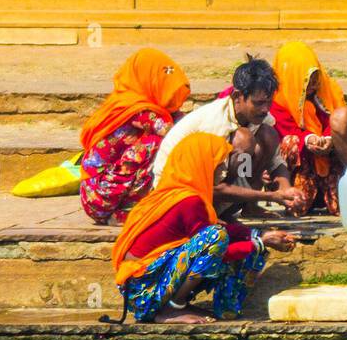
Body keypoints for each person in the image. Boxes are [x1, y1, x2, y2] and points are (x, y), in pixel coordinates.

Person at [111, 132, 297, 324]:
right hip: (144, 290)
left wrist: (259, 235)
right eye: (218, 163)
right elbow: (216, 249)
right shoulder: (188, 201)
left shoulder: (185, 195)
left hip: (145, 286)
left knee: (229, 234)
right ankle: (171, 308)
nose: (223, 169)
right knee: (216, 236)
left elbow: (224, 234)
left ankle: (210, 307)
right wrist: (258, 242)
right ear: (201, 164)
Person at [151, 57, 300, 211]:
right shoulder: (214, 124)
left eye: (268, 102)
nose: (265, 109)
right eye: (258, 103)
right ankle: (215, 212)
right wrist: (269, 196)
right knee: (244, 140)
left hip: (223, 184)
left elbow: (275, 162)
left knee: (268, 135)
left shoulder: (262, 118)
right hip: (178, 194)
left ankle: (248, 207)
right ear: (237, 97)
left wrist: (286, 190)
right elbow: (214, 188)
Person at [78, 48, 191, 224]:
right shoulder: (137, 109)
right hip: (100, 198)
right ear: (148, 79)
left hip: (97, 194)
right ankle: (126, 211)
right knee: (158, 144)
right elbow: (172, 132)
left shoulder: (136, 104)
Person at [270, 40, 347, 216]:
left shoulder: (328, 90)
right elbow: (286, 130)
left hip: (328, 158)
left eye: (315, 80)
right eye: (307, 82)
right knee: (291, 141)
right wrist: (308, 139)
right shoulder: (276, 100)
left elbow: (334, 120)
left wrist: (329, 139)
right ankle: (292, 194)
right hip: (300, 164)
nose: (313, 86)